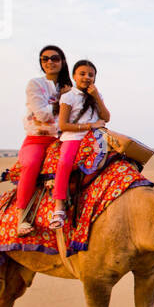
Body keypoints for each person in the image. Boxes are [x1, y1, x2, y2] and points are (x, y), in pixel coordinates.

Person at [15, 44, 71, 234]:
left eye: (54, 58)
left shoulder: (70, 88)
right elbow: (42, 115)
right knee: (30, 164)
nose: (49, 62)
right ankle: (22, 216)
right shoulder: (35, 84)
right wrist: (62, 100)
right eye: (44, 59)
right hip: (37, 139)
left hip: (64, 138)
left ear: (62, 62)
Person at [50, 59, 110, 228]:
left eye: (91, 75)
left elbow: (106, 117)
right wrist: (90, 125)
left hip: (94, 137)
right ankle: (59, 206)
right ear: (74, 76)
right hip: (73, 137)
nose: (87, 77)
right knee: (65, 163)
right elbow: (63, 125)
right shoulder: (68, 96)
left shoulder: (96, 96)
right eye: (82, 74)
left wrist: (96, 96)